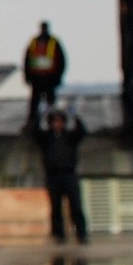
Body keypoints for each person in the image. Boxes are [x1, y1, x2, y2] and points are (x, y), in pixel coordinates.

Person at [38, 100, 89, 243]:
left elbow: (82, 132)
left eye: (60, 121)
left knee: (76, 206)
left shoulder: (70, 136)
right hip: (53, 176)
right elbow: (34, 132)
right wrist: (41, 115)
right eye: (55, 121)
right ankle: (59, 235)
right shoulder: (46, 138)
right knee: (56, 207)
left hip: (69, 175)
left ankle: (81, 234)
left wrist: (76, 116)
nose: (57, 124)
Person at [21, 19, 66, 131]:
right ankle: (32, 122)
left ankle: (52, 121)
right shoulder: (33, 42)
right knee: (34, 103)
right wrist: (27, 76)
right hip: (37, 79)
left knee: (50, 102)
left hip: (50, 79)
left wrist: (58, 77)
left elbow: (61, 61)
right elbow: (27, 60)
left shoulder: (54, 42)